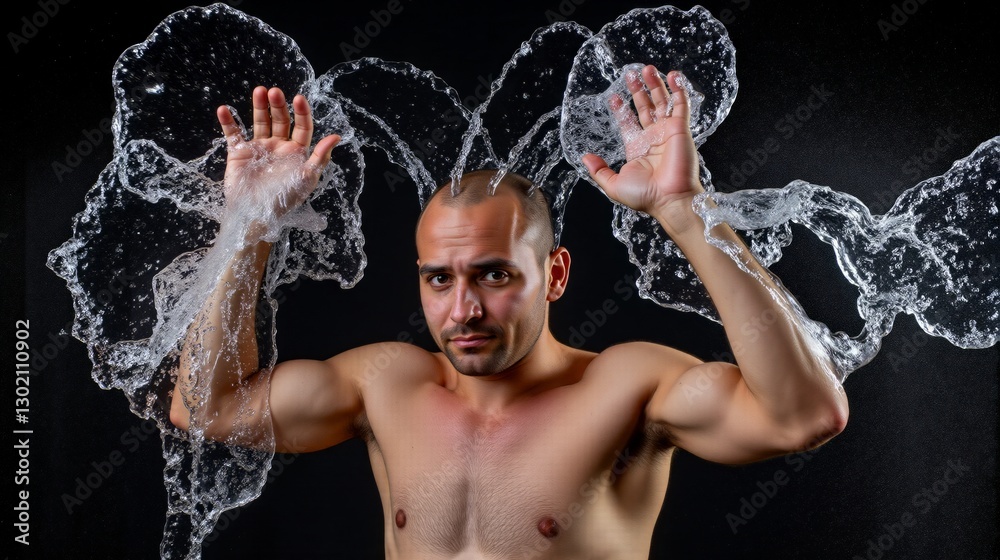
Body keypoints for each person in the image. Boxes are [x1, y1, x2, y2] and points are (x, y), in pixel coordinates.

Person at [170, 64, 849, 559]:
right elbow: (207, 406)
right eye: (439, 279)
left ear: (554, 275)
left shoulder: (628, 388)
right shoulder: (384, 385)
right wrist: (247, 227)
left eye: (494, 275)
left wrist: (684, 213)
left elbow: (805, 416)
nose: (463, 309)